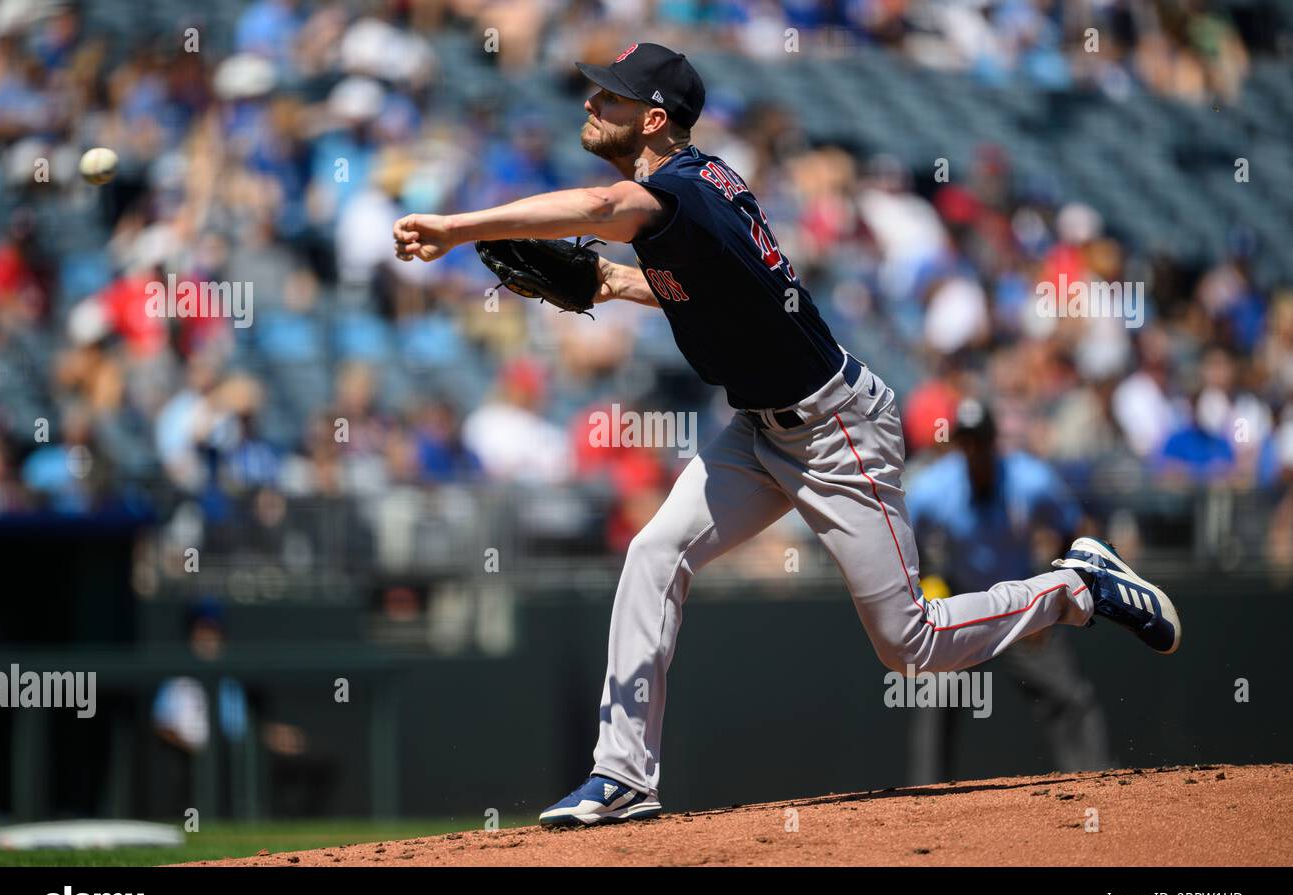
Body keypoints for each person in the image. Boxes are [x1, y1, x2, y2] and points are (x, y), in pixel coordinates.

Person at [391, 42, 1181, 827]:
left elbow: (602, 211)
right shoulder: (700, 190)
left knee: (910, 646)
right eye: (595, 93)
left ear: (655, 119)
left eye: (612, 98)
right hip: (758, 432)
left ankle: (1076, 588)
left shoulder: (676, 191)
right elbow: (703, 293)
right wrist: (609, 282)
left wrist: (459, 227)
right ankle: (623, 774)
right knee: (653, 552)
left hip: (838, 430)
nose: (592, 105)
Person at [905, 399, 1111, 783]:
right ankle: (925, 798)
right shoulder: (935, 487)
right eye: (965, 442)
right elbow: (903, 541)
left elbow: (1073, 529)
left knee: (1070, 696)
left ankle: (1093, 782)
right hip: (962, 602)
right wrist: (928, 584)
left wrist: (1059, 590)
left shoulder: (1029, 479)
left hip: (1022, 604)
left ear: (993, 442)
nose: (973, 451)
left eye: (980, 442)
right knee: (936, 698)